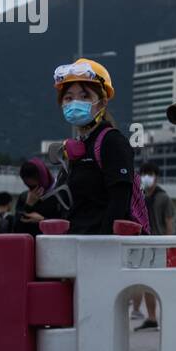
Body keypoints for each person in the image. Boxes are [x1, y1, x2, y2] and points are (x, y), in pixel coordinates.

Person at [53, 59, 142, 235]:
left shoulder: (112, 142)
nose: (75, 103)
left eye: (85, 96)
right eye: (69, 98)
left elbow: (119, 202)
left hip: (102, 251)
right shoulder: (76, 146)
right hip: (75, 246)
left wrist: (102, 244)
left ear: (102, 102)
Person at [130, 161, 176, 332]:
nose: (146, 177)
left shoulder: (163, 198)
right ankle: (151, 317)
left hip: (159, 244)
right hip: (143, 244)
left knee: (160, 284)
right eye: (143, 174)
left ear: (156, 177)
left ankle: (164, 316)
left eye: (150, 174)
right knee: (147, 284)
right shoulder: (139, 196)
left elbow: (169, 223)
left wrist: (169, 245)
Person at [13, 156, 64, 237]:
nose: (34, 191)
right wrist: (28, 205)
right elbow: (17, 230)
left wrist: (43, 221)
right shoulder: (24, 197)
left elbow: (66, 227)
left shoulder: (60, 196)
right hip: (30, 246)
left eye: (37, 186)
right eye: (30, 187)